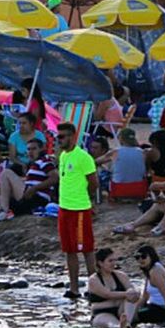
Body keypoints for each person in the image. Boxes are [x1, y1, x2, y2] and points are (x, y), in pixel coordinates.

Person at [55, 122, 98, 299]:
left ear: (72, 137)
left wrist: (86, 199)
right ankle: (74, 288)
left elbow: (93, 183)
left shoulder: (83, 157)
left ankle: (94, 287)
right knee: (69, 250)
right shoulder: (63, 156)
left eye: (62, 137)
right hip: (64, 208)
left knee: (86, 249)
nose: (59, 140)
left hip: (79, 209)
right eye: (58, 137)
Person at [85, 248, 139, 328]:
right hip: (102, 313)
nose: (114, 263)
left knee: (132, 296)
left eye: (114, 260)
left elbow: (131, 289)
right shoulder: (94, 280)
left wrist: (132, 292)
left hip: (122, 311)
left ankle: (127, 323)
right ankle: (120, 327)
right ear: (100, 263)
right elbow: (107, 294)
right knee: (112, 324)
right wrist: (125, 295)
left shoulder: (121, 275)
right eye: (110, 261)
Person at [131, 244, 165, 326]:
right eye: (137, 257)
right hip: (155, 306)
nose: (140, 259)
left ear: (151, 256)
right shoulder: (150, 270)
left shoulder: (155, 271)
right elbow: (145, 297)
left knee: (134, 316)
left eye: (143, 256)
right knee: (131, 311)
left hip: (163, 309)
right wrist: (134, 310)